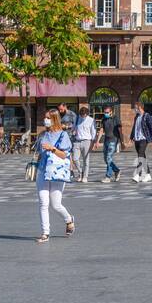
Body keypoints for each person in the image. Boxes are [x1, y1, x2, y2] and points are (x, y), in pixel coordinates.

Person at [34, 108, 75, 244]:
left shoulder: (63, 135)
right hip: (43, 170)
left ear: (54, 119)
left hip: (56, 172)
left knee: (56, 204)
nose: (45, 120)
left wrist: (53, 148)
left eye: (47, 118)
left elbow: (64, 155)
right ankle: (45, 233)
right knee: (43, 202)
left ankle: (68, 219)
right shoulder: (43, 134)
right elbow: (40, 152)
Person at [130, 102, 152, 183]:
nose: (134, 109)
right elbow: (134, 127)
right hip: (137, 139)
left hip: (144, 139)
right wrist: (131, 137)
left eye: (135, 108)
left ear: (140, 107)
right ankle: (148, 175)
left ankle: (138, 175)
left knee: (140, 156)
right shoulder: (137, 117)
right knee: (142, 157)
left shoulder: (147, 116)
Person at [98, 104, 124, 183]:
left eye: (107, 112)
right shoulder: (104, 119)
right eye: (105, 112)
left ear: (111, 112)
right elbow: (102, 130)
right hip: (106, 140)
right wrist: (97, 141)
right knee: (106, 159)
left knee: (109, 157)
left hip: (113, 140)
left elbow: (120, 130)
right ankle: (117, 170)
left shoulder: (116, 119)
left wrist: (122, 142)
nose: (105, 113)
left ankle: (108, 177)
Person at [72, 104, 96, 183]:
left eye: (84, 115)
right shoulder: (77, 118)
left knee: (86, 160)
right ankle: (80, 172)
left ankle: (85, 176)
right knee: (75, 159)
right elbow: (73, 128)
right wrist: (74, 131)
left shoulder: (91, 120)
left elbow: (93, 132)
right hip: (77, 141)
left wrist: (93, 143)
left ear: (87, 114)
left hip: (87, 141)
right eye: (82, 115)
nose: (83, 117)